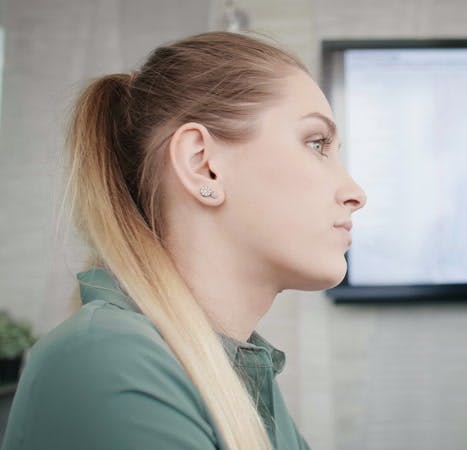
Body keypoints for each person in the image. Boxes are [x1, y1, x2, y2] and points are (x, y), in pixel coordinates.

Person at [1, 31, 365, 450]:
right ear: (203, 166)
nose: (355, 192)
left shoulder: (234, 372)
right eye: (317, 144)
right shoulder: (108, 360)